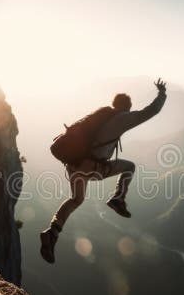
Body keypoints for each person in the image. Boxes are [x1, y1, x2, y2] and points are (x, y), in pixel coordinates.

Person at [39, 78, 168, 263]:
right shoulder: (121, 118)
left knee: (76, 200)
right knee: (129, 167)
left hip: (74, 166)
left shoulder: (100, 117)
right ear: (127, 107)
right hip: (93, 167)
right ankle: (118, 199)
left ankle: (51, 233)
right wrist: (162, 94)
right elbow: (150, 111)